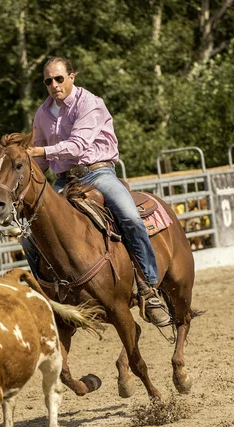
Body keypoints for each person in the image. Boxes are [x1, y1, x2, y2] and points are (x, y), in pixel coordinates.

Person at [23, 56, 171, 328]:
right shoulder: (42, 113)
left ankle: (149, 288)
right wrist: (20, 168)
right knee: (31, 236)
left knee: (129, 217)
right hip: (64, 179)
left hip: (98, 172)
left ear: (72, 77)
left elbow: (78, 145)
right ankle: (46, 295)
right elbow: (41, 163)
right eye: (48, 81)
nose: (54, 85)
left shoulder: (89, 103)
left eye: (58, 78)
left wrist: (39, 151)